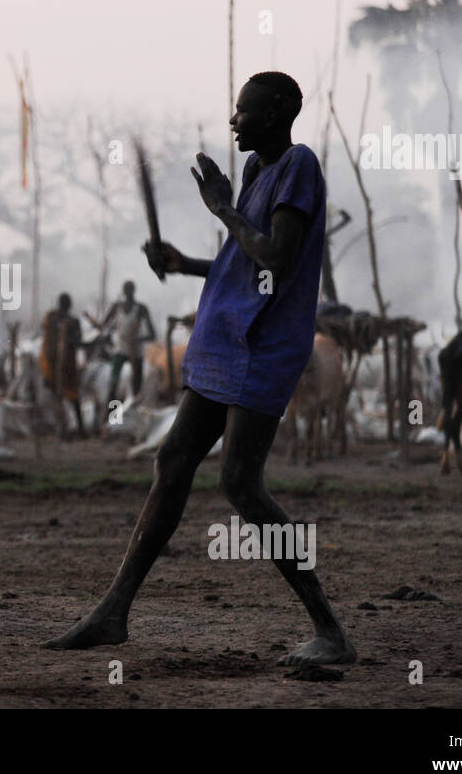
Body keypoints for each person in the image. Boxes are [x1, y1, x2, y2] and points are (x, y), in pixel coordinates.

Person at [44, 71, 355, 666]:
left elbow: (277, 255)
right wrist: (183, 262)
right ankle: (114, 611)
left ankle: (330, 630)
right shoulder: (257, 173)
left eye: (244, 111)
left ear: (279, 113)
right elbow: (243, 261)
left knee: (240, 483)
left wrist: (220, 209)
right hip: (226, 337)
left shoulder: (299, 166)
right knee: (173, 460)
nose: (234, 121)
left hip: (265, 343)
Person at [101, 279, 156, 410]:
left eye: (130, 290)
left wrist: (137, 339)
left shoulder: (141, 308)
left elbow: (152, 334)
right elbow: (103, 325)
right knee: (113, 383)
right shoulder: (116, 307)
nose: (128, 293)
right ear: (124, 292)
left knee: (136, 388)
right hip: (120, 349)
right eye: (127, 290)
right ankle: (111, 418)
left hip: (136, 351)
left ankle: (131, 417)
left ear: (133, 292)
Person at [40, 292, 87, 440]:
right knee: (73, 398)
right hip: (64, 363)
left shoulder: (51, 318)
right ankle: (76, 429)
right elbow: (78, 342)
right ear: (70, 305)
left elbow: (45, 338)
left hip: (57, 363)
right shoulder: (72, 321)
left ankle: (66, 429)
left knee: (59, 397)